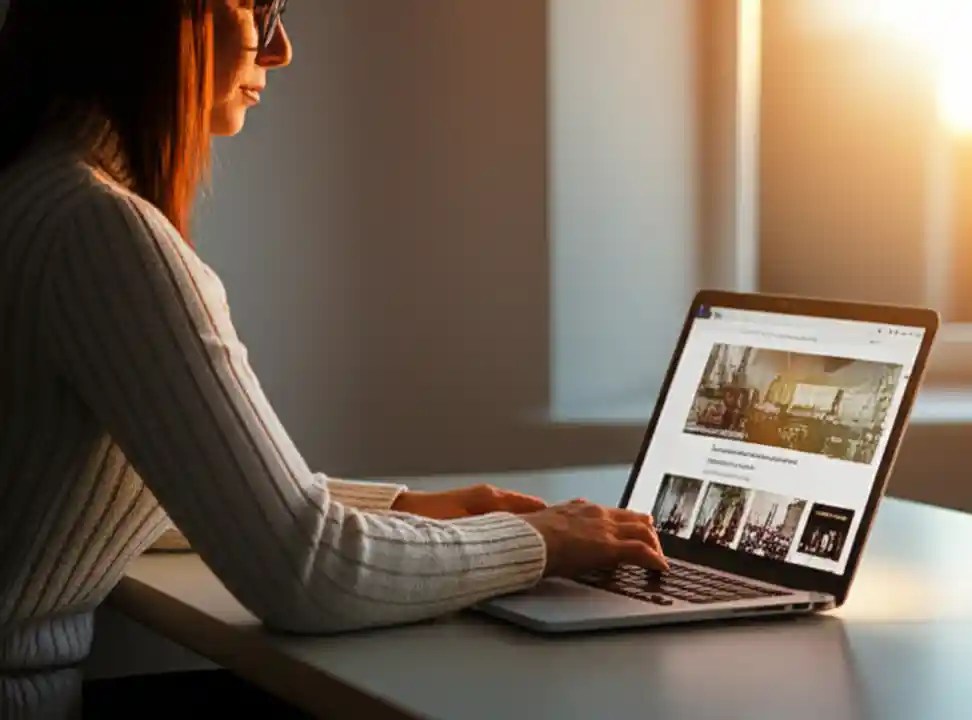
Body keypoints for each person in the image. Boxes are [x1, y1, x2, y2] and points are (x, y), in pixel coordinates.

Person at [0, 2, 668, 717]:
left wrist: (406, 508)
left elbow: (123, 490)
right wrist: (541, 540)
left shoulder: (36, 191)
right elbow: (305, 571)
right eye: (259, 8)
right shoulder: (102, 233)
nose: (280, 48)